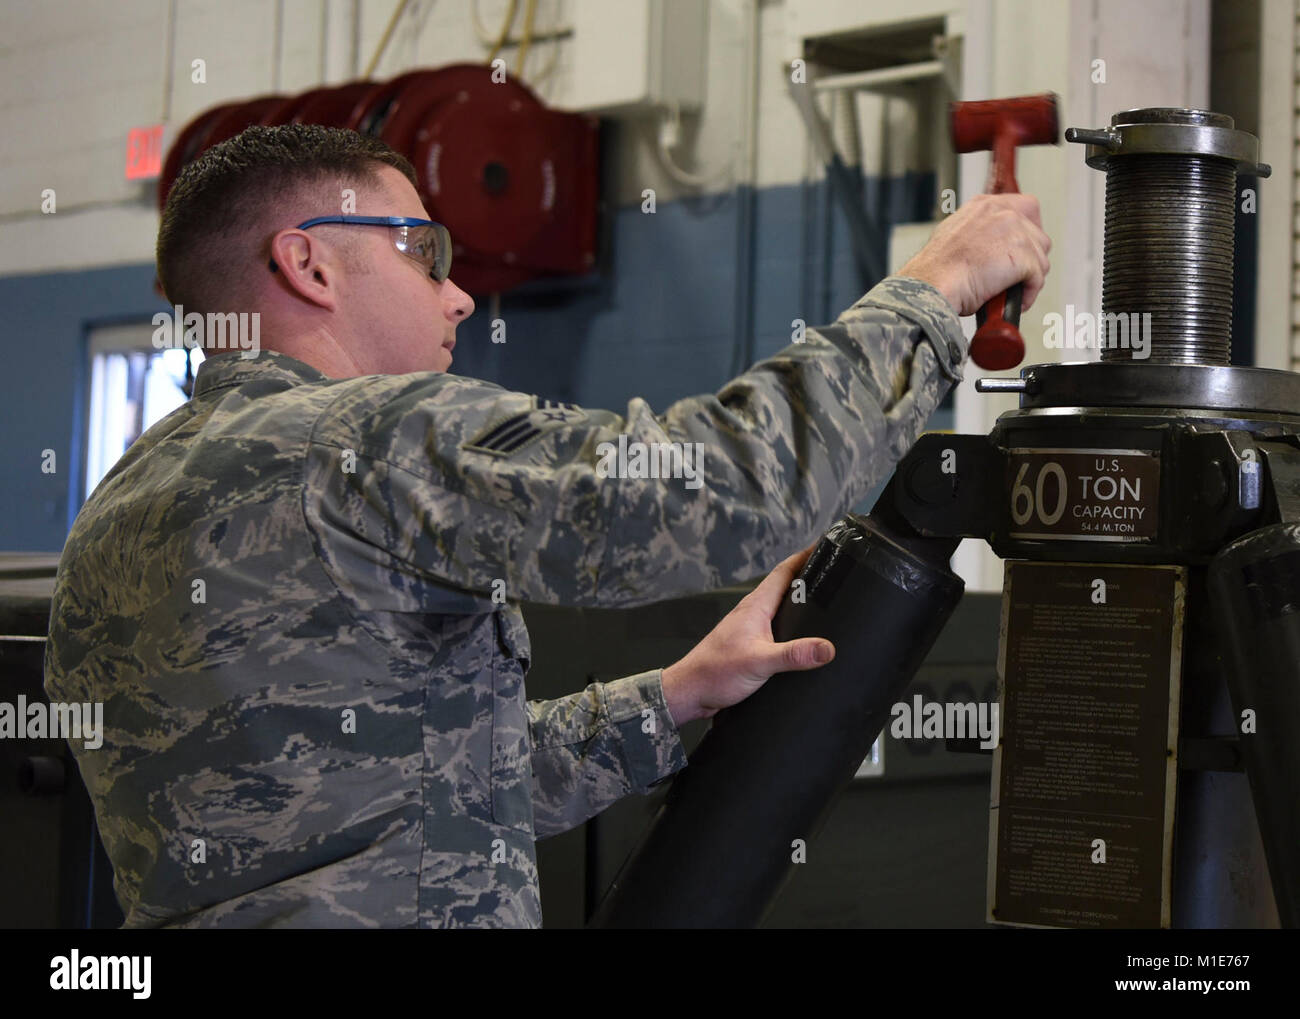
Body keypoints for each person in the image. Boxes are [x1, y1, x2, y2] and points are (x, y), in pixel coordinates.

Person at [44, 124, 1050, 928]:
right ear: (306, 263)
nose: (457, 290)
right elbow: (732, 486)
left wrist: (672, 696)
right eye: (421, 249)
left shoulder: (116, 515)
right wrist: (932, 290)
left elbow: (407, 797)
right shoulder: (367, 435)